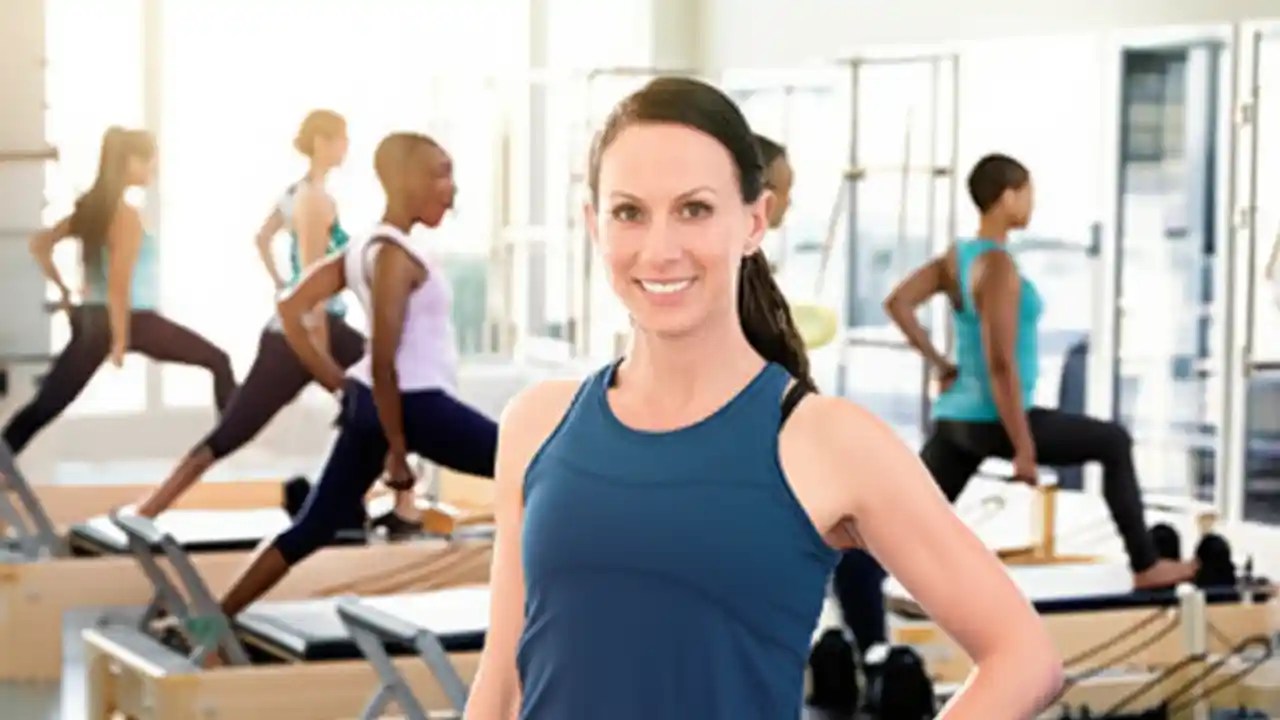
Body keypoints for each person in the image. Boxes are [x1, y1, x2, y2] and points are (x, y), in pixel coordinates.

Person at [465, 77, 1062, 719]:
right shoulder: (537, 424)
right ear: (594, 224)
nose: (660, 249)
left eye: (694, 209)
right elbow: (501, 683)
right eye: (629, 212)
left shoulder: (823, 440)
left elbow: (1024, 659)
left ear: (754, 221)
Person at [179, 131, 498, 650]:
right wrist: (397, 455)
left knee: (312, 527)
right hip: (415, 405)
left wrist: (341, 383)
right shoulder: (393, 256)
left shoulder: (364, 248)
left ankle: (207, 628)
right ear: (402, 180)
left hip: (378, 403)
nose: (451, 188)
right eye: (439, 174)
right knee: (536, 467)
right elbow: (388, 360)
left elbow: (290, 307)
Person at [883, 152, 1198, 590]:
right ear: (1007, 196)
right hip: (993, 419)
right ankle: (1146, 565)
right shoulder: (997, 266)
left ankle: (851, 585)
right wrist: (1024, 447)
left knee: (904, 529)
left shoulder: (956, 259)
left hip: (956, 419)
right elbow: (1001, 362)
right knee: (1113, 441)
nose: (1032, 203)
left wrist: (941, 364)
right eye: (1028, 193)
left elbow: (897, 303)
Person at [133, 111, 421, 536]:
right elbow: (311, 287)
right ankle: (145, 512)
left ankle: (398, 506)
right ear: (322, 143)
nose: (346, 147)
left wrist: (278, 285)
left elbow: (263, 238)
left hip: (305, 330)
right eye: (341, 139)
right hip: (304, 335)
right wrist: (319, 353)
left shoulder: (295, 194)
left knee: (388, 398)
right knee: (240, 429)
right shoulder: (316, 201)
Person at [2, 127, 237, 456]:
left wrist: (68, 294)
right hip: (129, 320)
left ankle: (4, 457)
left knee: (46, 405)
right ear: (130, 162)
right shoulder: (125, 215)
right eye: (149, 160)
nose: (154, 167)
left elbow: (40, 245)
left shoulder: (92, 210)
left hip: (94, 321)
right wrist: (121, 338)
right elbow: (118, 283)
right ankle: (229, 441)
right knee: (217, 360)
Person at [756, 132, 889, 657]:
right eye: (785, 190)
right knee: (853, 538)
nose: (790, 202)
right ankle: (874, 653)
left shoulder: (752, 270)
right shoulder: (735, 271)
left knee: (857, 539)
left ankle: (871, 652)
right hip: (766, 445)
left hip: (783, 436)